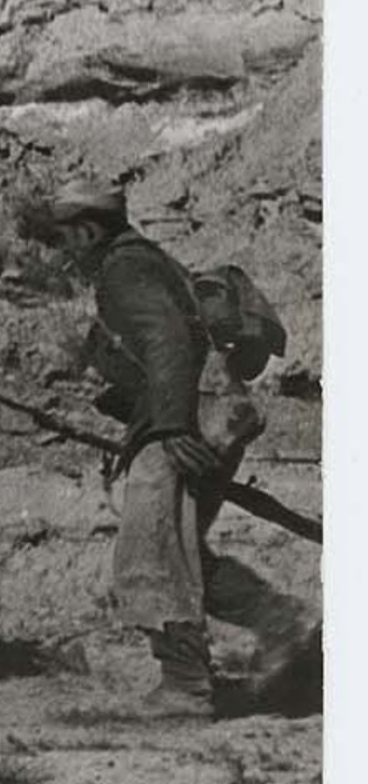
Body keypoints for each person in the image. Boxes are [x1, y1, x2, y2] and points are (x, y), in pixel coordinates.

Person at [45, 182, 314, 717]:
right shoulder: (144, 262)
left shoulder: (122, 269)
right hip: (213, 409)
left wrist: (168, 427)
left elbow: (166, 339)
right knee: (181, 547)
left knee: (151, 549)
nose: (65, 249)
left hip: (192, 418)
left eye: (68, 237)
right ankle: (284, 623)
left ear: (89, 230)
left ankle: (185, 685)